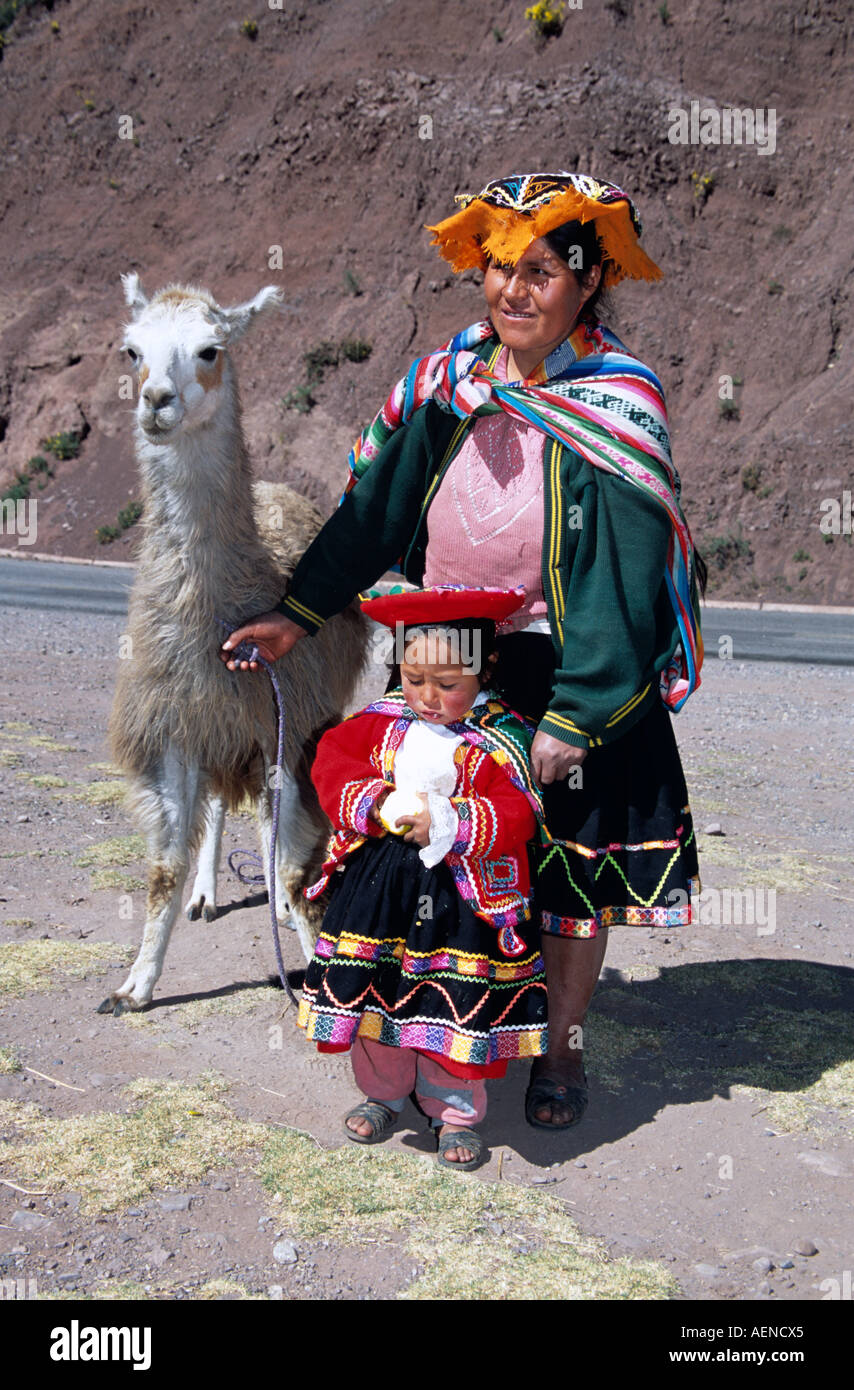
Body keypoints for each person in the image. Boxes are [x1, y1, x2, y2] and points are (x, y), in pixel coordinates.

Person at [223, 171, 704, 1132]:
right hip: (441, 661)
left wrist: (576, 717)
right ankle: (429, 1053)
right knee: (425, 855)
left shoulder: (616, 405)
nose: (512, 292)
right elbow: (373, 512)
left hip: (565, 670)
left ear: (587, 282)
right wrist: (299, 613)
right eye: (496, 269)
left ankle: (559, 1048)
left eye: (538, 272)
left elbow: (620, 578)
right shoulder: (452, 383)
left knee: (563, 877)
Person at [298, 585, 548, 1170]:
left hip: (461, 891)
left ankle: (454, 1110)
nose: (428, 698)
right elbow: (332, 760)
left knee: (455, 996)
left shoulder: (503, 736)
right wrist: (374, 800)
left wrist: (451, 819)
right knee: (376, 987)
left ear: (484, 668)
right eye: (413, 681)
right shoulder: (382, 720)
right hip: (382, 884)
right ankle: (383, 1091)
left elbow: (519, 811)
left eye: (447, 685)